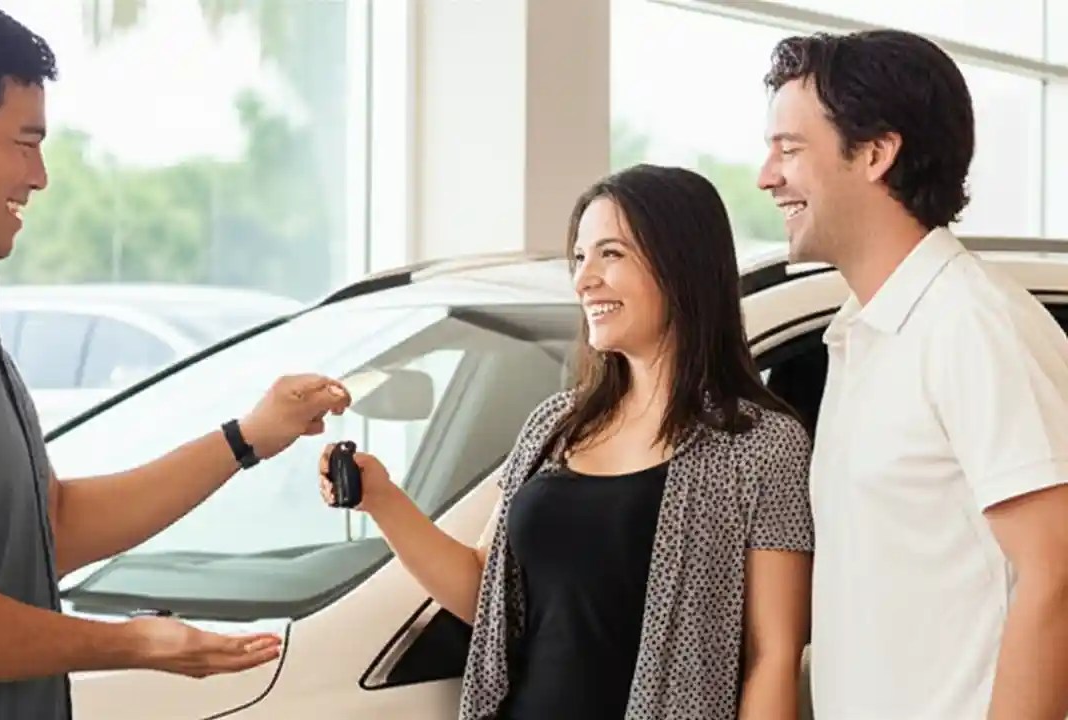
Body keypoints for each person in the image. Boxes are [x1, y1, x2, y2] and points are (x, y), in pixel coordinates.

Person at [0, 2, 351, 719]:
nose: (42, 176)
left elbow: (50, 526)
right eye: (24, 142)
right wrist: (135, 645)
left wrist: (247, 437)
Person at [318, 164, 815, 719]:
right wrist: (381, 498)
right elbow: (486, 596)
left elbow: (772, 656)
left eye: (611, 254)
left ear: (682, 265)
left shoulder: (762, 445)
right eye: (580, 258)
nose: (584, 280)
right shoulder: (554, 425)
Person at [759, 30, 1068, 720]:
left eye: (790, 148)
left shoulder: (972, 324)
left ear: (875, 153)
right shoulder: (857, 334)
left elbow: (1058, 575)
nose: (766, 175)